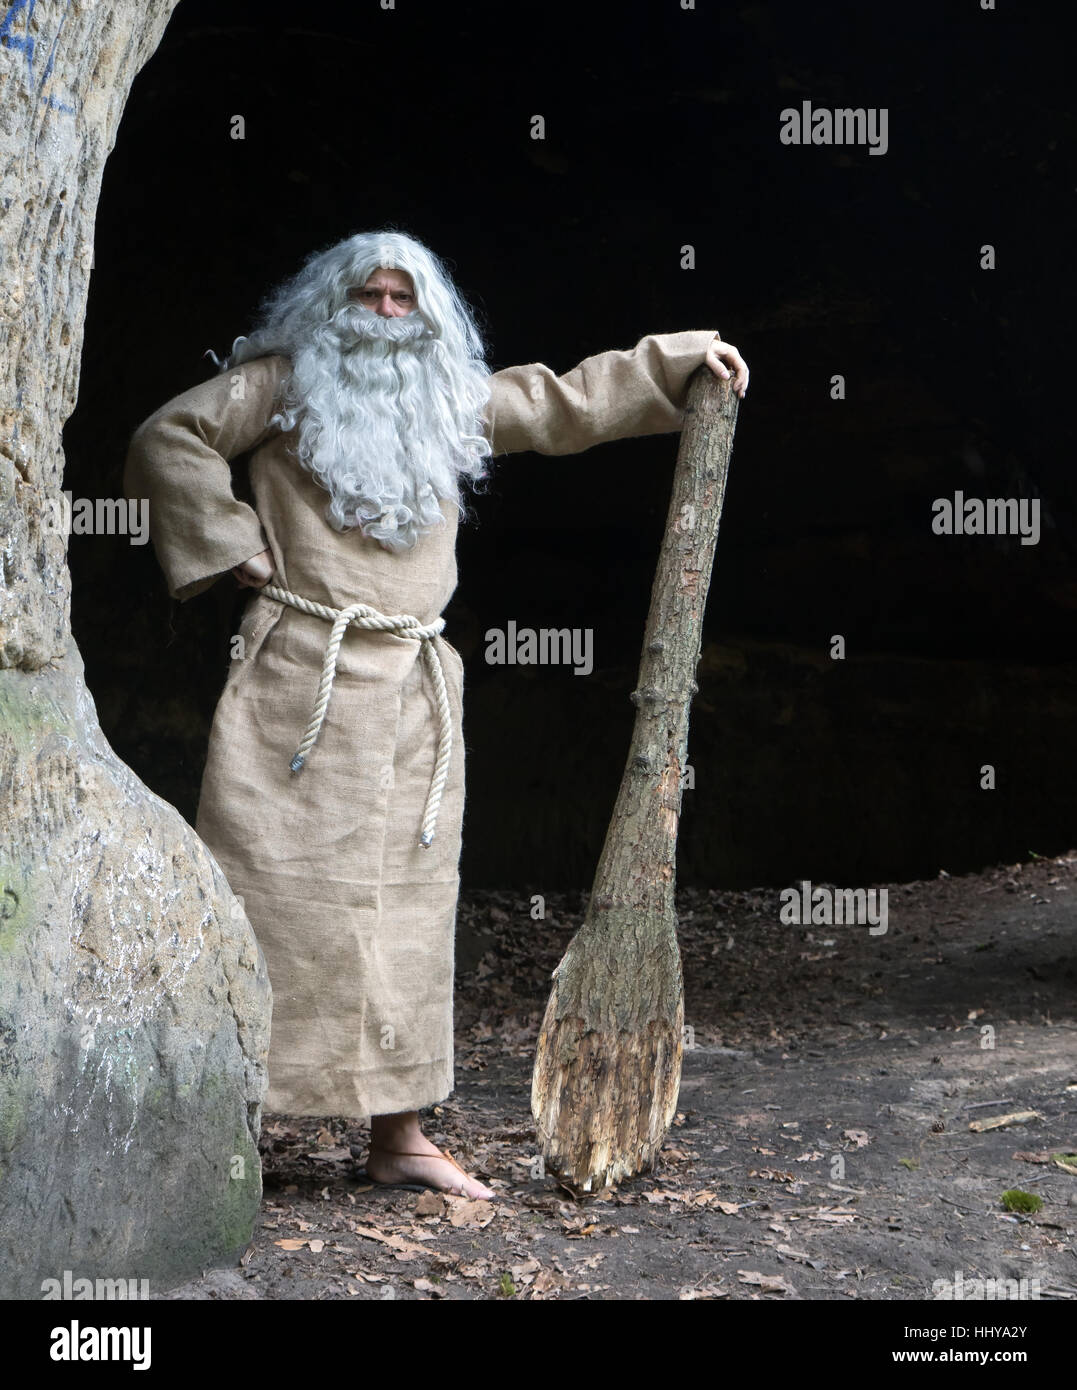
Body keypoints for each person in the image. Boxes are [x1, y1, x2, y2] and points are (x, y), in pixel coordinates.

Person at [123, 229, 748, 1201]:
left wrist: (677, 362)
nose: (382, 313)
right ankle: (225, 1118)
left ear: (428, 313)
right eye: (366, 296)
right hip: (298, 682)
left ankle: (399, 1134)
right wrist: (231, 539)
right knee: (265, 895)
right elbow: (172, 435)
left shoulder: (451, 399)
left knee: (406, 916)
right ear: (330, 305)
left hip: (415, 693)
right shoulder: (281, 384)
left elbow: (564, 401)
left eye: (399, 299)